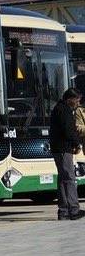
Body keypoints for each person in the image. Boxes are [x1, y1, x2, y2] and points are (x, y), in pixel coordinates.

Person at [49, 88, 84, 220]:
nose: (77, 103)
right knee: (69, 178)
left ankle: (63, 211)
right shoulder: (65, 111)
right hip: (64, 149)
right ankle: (74, 210)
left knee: (63, 179)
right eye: (76, 100)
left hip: (59, 148)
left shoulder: (59, 108)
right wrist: (76, 144)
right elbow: (69, 131)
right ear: (70, 99)